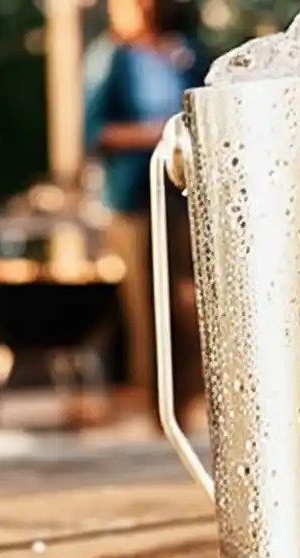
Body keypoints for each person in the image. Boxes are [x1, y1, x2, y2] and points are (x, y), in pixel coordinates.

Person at [84, 0, 206, 430]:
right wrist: (155, 133)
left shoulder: (186, 52)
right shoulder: (110, 60)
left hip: (190, 194)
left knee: (198, 299)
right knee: (148, 305)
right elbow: (94, 130)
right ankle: (160, 408)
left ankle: (198, 395)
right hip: (136, 197)